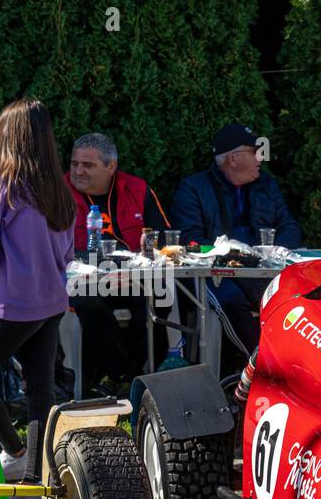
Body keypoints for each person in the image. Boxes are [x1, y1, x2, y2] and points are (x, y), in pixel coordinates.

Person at [0, 99, 75, 482]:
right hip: (52, 303)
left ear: (7, 139)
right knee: (39, 389)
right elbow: (67, 253)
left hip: (12, 304)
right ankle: (36, 475)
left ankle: (14, 451)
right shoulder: (59, 190)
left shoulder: (0, 186)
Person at [170, 123, 301, 352]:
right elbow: (190, 241)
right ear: (233, 158)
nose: (261, 157)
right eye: (254, 151)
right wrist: (232, 255)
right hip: (217, 273)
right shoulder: (193, 188)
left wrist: (270, 254)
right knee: (229, 300)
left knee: (298, 300)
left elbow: (290, 227)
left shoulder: (267, 185)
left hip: (265, 270)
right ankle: (262, 365)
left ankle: (296, 363)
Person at [64, 132, 169, 385]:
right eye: (74, 164)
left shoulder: (137, 189)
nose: (78, 171)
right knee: (89, 305)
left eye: (88, 165)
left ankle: (133, 370)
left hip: (133, 276)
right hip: (82, 279)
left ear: (111, 166)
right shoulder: (58, 192)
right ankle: (124, 374)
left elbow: (161, 239)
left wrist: (142, 259)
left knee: (161, 297)